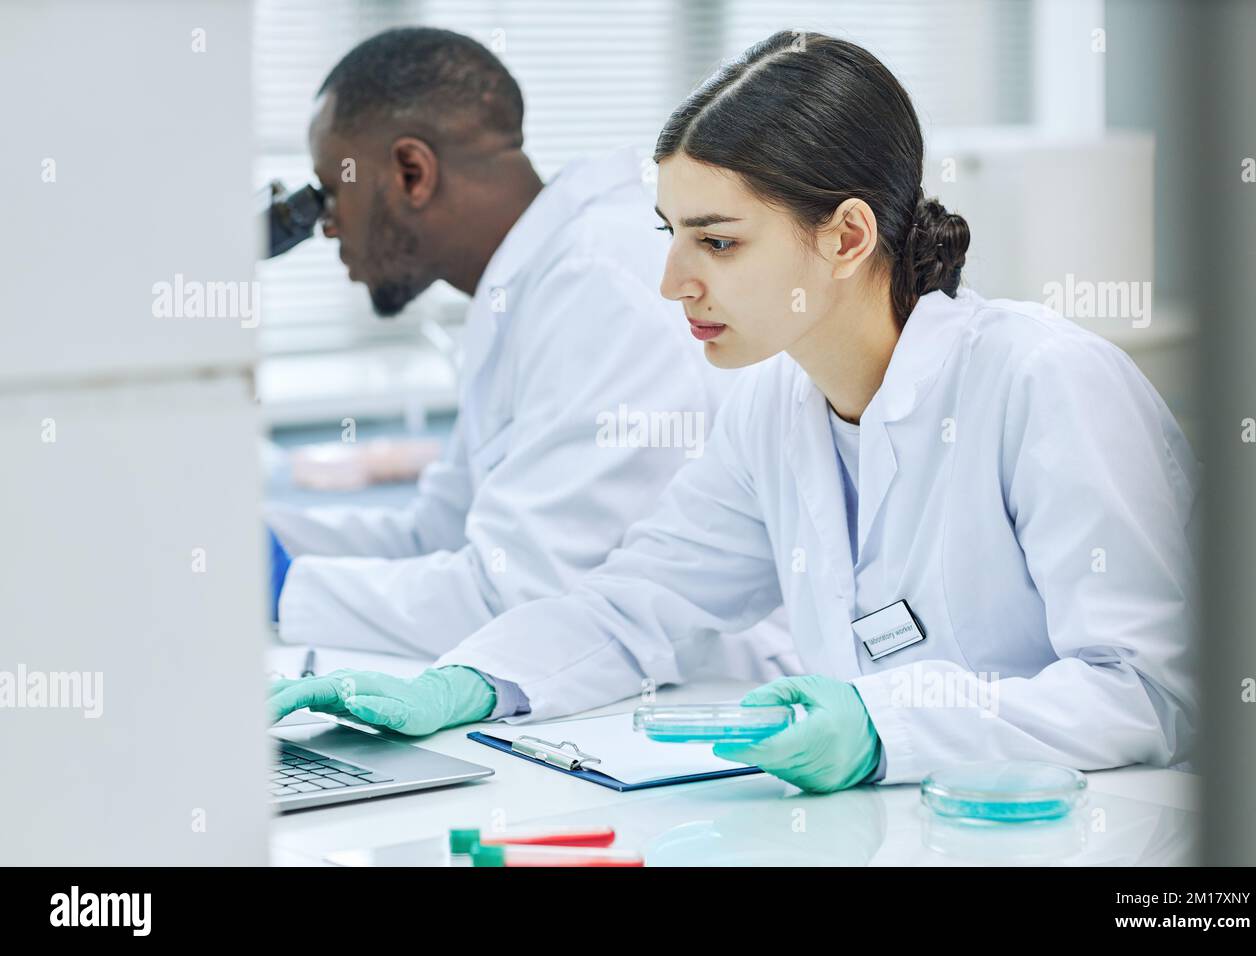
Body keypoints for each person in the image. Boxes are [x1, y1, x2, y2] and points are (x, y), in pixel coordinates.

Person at [269, 31, 1199, 790]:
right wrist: (468, 682)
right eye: (671, 235)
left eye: (717, 241)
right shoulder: (774, 410)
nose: (672, 281)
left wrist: (887, 728)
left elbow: (1153, 692)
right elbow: (634, 605)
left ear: (846, 236)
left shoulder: (1043, 383)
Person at [266, 27, 796, 692]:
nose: (326, 225)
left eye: (331, 190)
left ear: (411, 173)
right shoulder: (526, 288)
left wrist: (280, 585)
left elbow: (524, 598)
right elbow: (440, 534)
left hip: (712, 700)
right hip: (595, 691)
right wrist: (260, 544)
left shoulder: (597, 286)